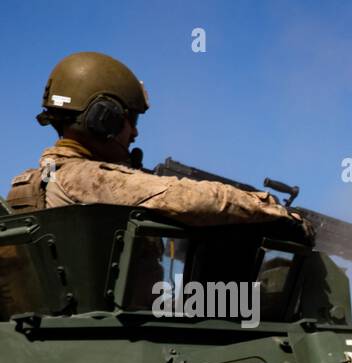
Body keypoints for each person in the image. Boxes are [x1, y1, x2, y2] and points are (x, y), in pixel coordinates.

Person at [6, 51, 306, 230]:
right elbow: (191, 200)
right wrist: (275, 210)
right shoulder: (87, 179)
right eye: (131, 120)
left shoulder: (36, 181)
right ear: (103, 119)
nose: (134, 133)